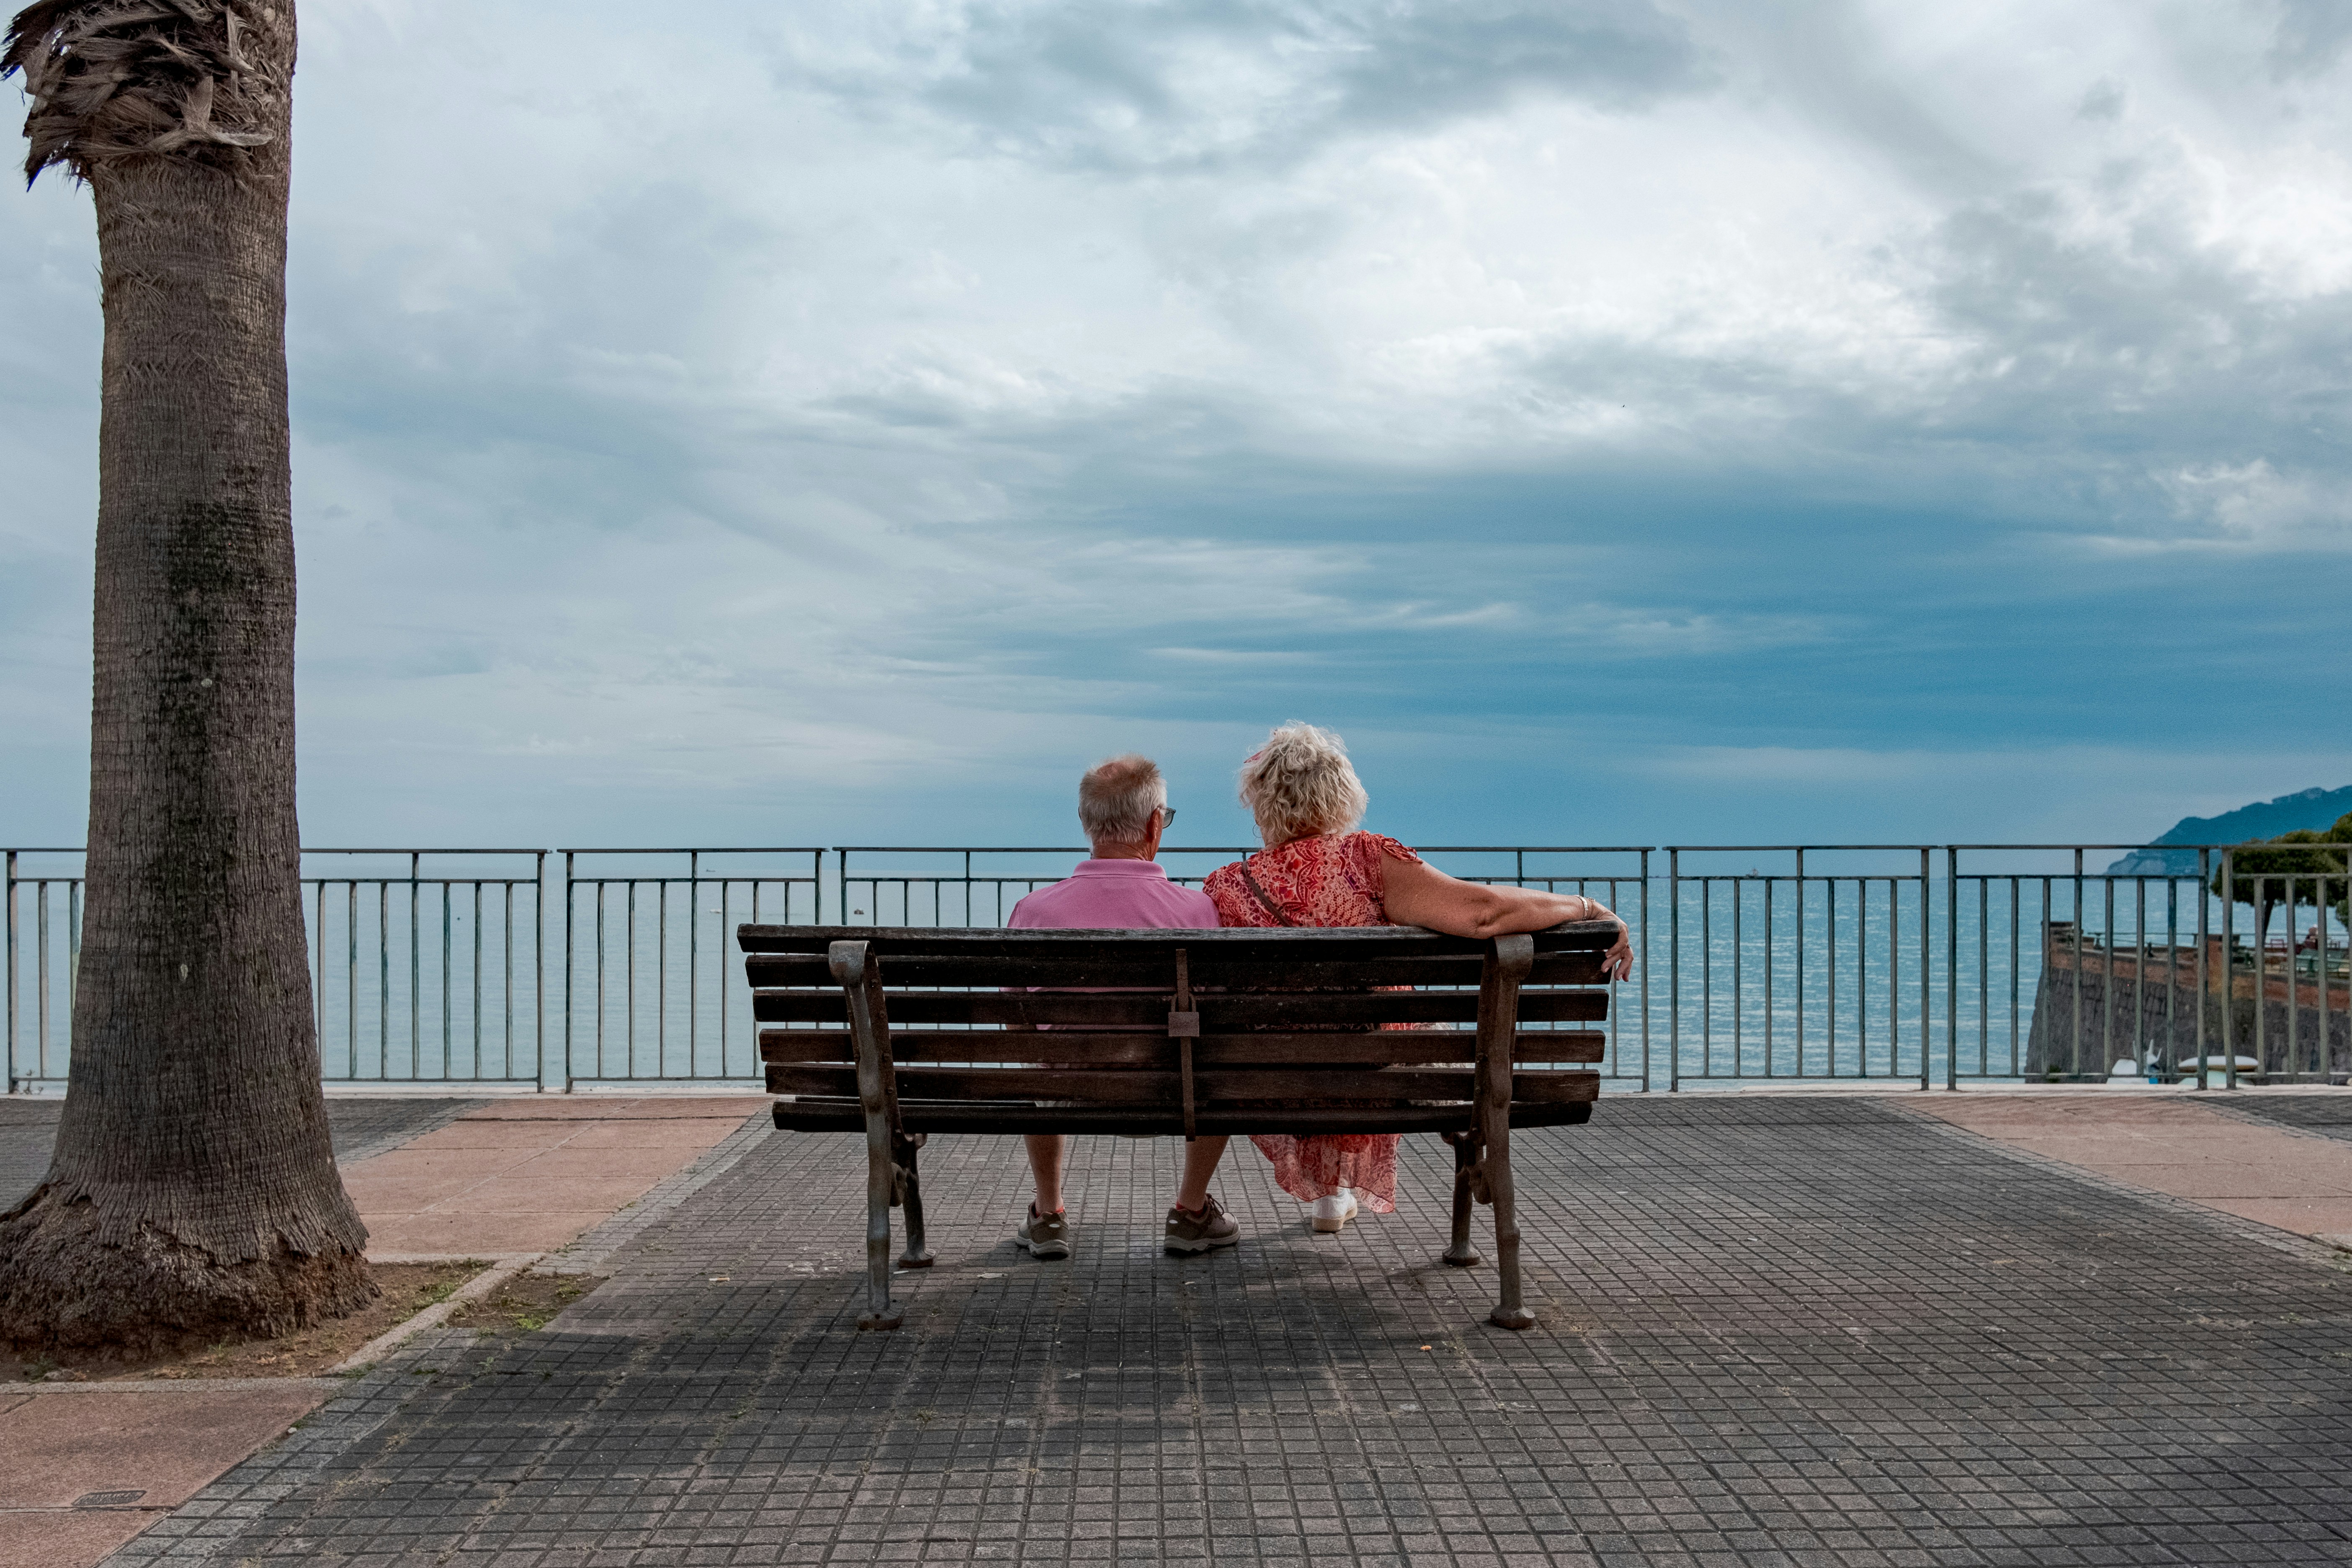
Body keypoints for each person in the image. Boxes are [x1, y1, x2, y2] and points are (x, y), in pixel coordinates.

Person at [1203, 722, 1634, 1233]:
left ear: (1260, 803)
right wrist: (1585, 907)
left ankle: (1330, 1193)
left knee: (1297, 1028)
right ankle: (1352, 1194)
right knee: (1387, 1029)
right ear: (1341, 792)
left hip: (1273, 1083)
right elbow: (1483, 913)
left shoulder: (1225, 886)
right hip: (1379, 1081)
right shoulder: (1366, 859)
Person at [1005, 754, 1241, 1259]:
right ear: (1155, 824)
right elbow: (1219, 1016)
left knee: (1035, 1060)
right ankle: (1190, 1211)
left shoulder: (1033, 912)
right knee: (1219, 1066)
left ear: (1086, 824)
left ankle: (1048, 1215)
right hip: (1172, 1086)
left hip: (1065, 1086)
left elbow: (1014, 1022)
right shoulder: (1198, 912)